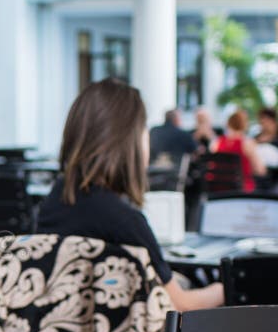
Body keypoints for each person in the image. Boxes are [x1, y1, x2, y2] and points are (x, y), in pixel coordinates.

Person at [36, 78, 223, 312]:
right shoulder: (125, 221)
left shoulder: (54, 202)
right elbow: (180, 305)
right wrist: (226, 287)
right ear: (129, 141)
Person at [212, 109, 266, 192]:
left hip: (219, 191)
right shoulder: (247, 143)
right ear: (245, 124)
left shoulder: (217, 142)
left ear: (229, 123)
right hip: (242, 192)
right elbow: (260, 171)